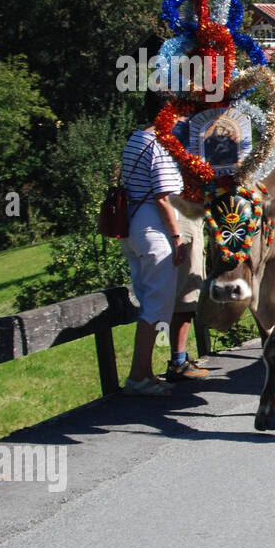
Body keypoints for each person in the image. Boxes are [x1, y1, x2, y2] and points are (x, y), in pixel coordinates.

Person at [120, 91, 185, 395]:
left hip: (133, 226)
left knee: (149, 302)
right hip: (154, 230)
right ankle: (138, 377)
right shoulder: (160, 143)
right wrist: (176, 236)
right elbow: (163, 196)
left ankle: (144, 372)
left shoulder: (137, 138)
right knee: (157, 306)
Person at [164, 111, 210, 382]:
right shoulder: (175, 136)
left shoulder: (158, 136)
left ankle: (178, 358)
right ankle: (178, 360)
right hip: (183, 216)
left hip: (183, 214)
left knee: (185, 290)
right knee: (186, 293)